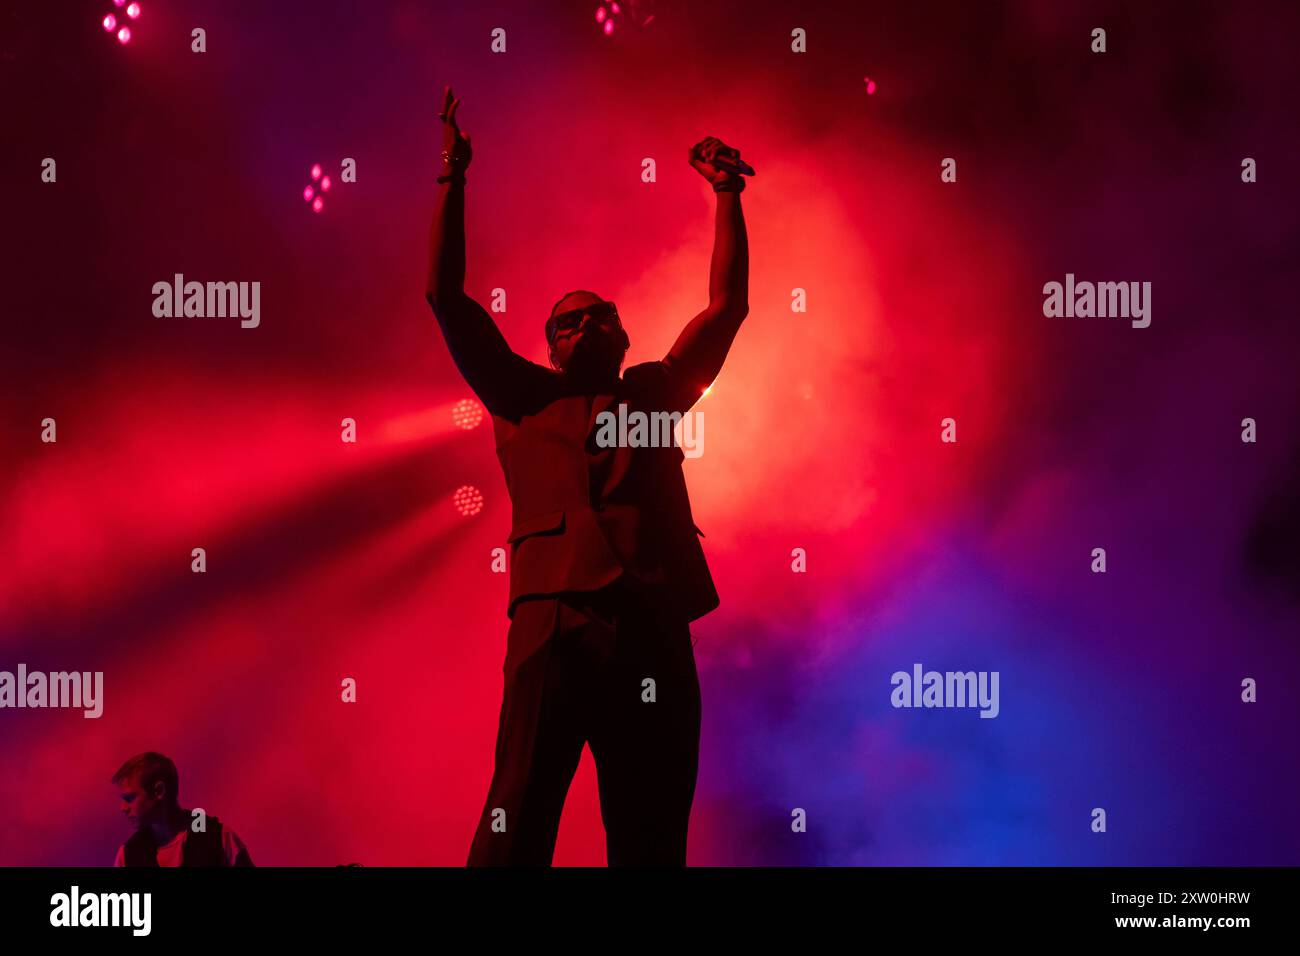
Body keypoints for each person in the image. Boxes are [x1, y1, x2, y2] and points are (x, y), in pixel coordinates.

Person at [426, 86, 750, 866]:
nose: (583, 325)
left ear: (621, 329)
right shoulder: (519, 397)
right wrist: (452, 177)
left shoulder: (655, 392)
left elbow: (727, 307)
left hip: (650, 617)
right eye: (566, 321)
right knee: (519, 804)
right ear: (549, 346)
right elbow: (445, 296)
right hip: (554, 613)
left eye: (597, 312)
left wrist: (729, 195)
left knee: (650, 821)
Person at [111, 752, 253, 867]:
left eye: (129, 798)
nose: (123, 808)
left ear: (159, 791)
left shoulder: (218, 837)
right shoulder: (129, 855)